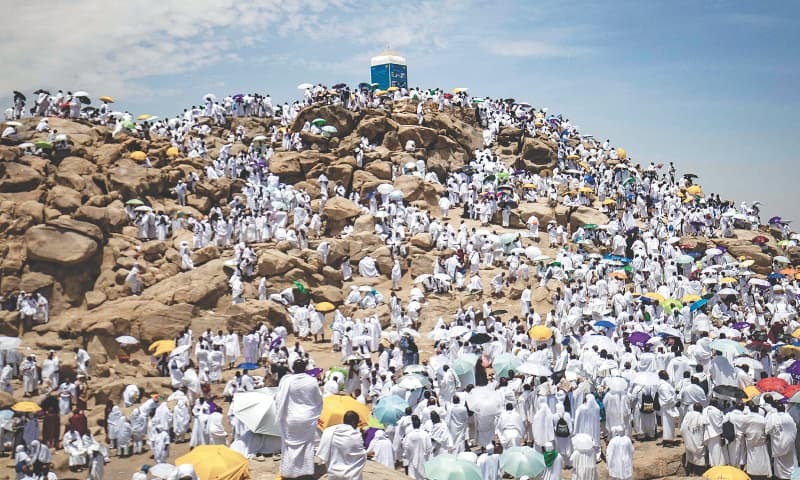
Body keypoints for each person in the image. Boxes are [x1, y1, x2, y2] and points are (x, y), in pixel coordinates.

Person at [275, 358, 323, 479]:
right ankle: (305, 472)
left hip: (291, 418)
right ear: (305, 368)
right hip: (308, 418)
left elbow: (279, 399)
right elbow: (318, 399)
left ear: (293, 368)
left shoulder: (287, 381)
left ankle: (289, 472)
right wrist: (314, 412)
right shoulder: (312, 381)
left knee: (290, 446)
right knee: (307, 445)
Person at [317, 410, 367, 480]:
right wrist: (365, 453)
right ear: (353, 422)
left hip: (333, 471)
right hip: (351, 475)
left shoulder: (330, 431)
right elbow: (360, 455)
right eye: (357, 423)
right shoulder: (355, 435)